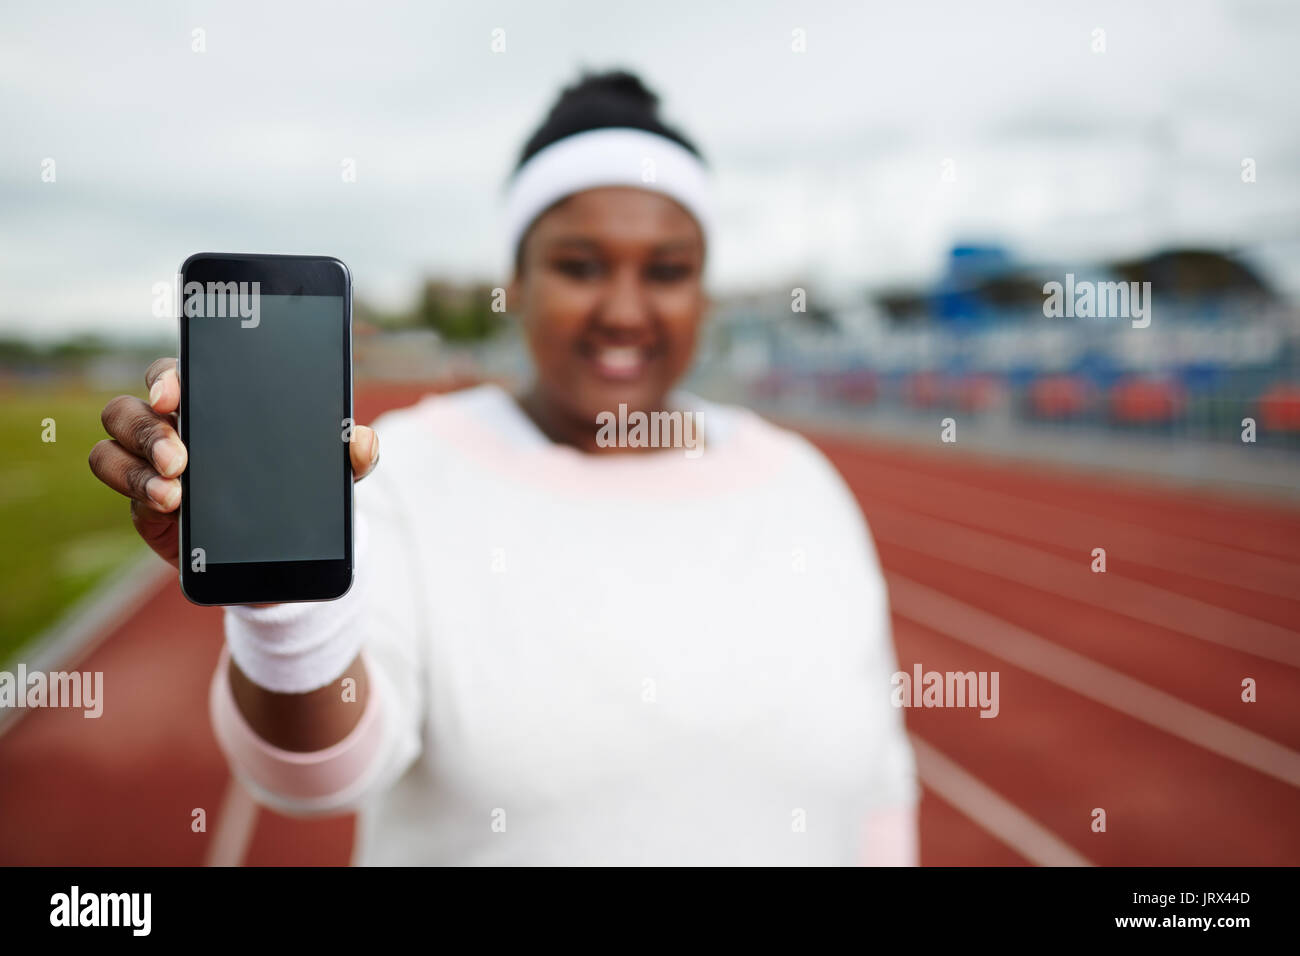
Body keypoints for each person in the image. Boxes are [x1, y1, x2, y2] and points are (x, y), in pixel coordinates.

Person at [89, 69, 919, 865]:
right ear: (515, 282)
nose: (625, 311)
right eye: (580, 266)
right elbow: (318, 772)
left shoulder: (802, 484)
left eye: (667, 270)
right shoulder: (398, 470)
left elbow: (881, 792)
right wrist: (285, 612)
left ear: (703, 291)